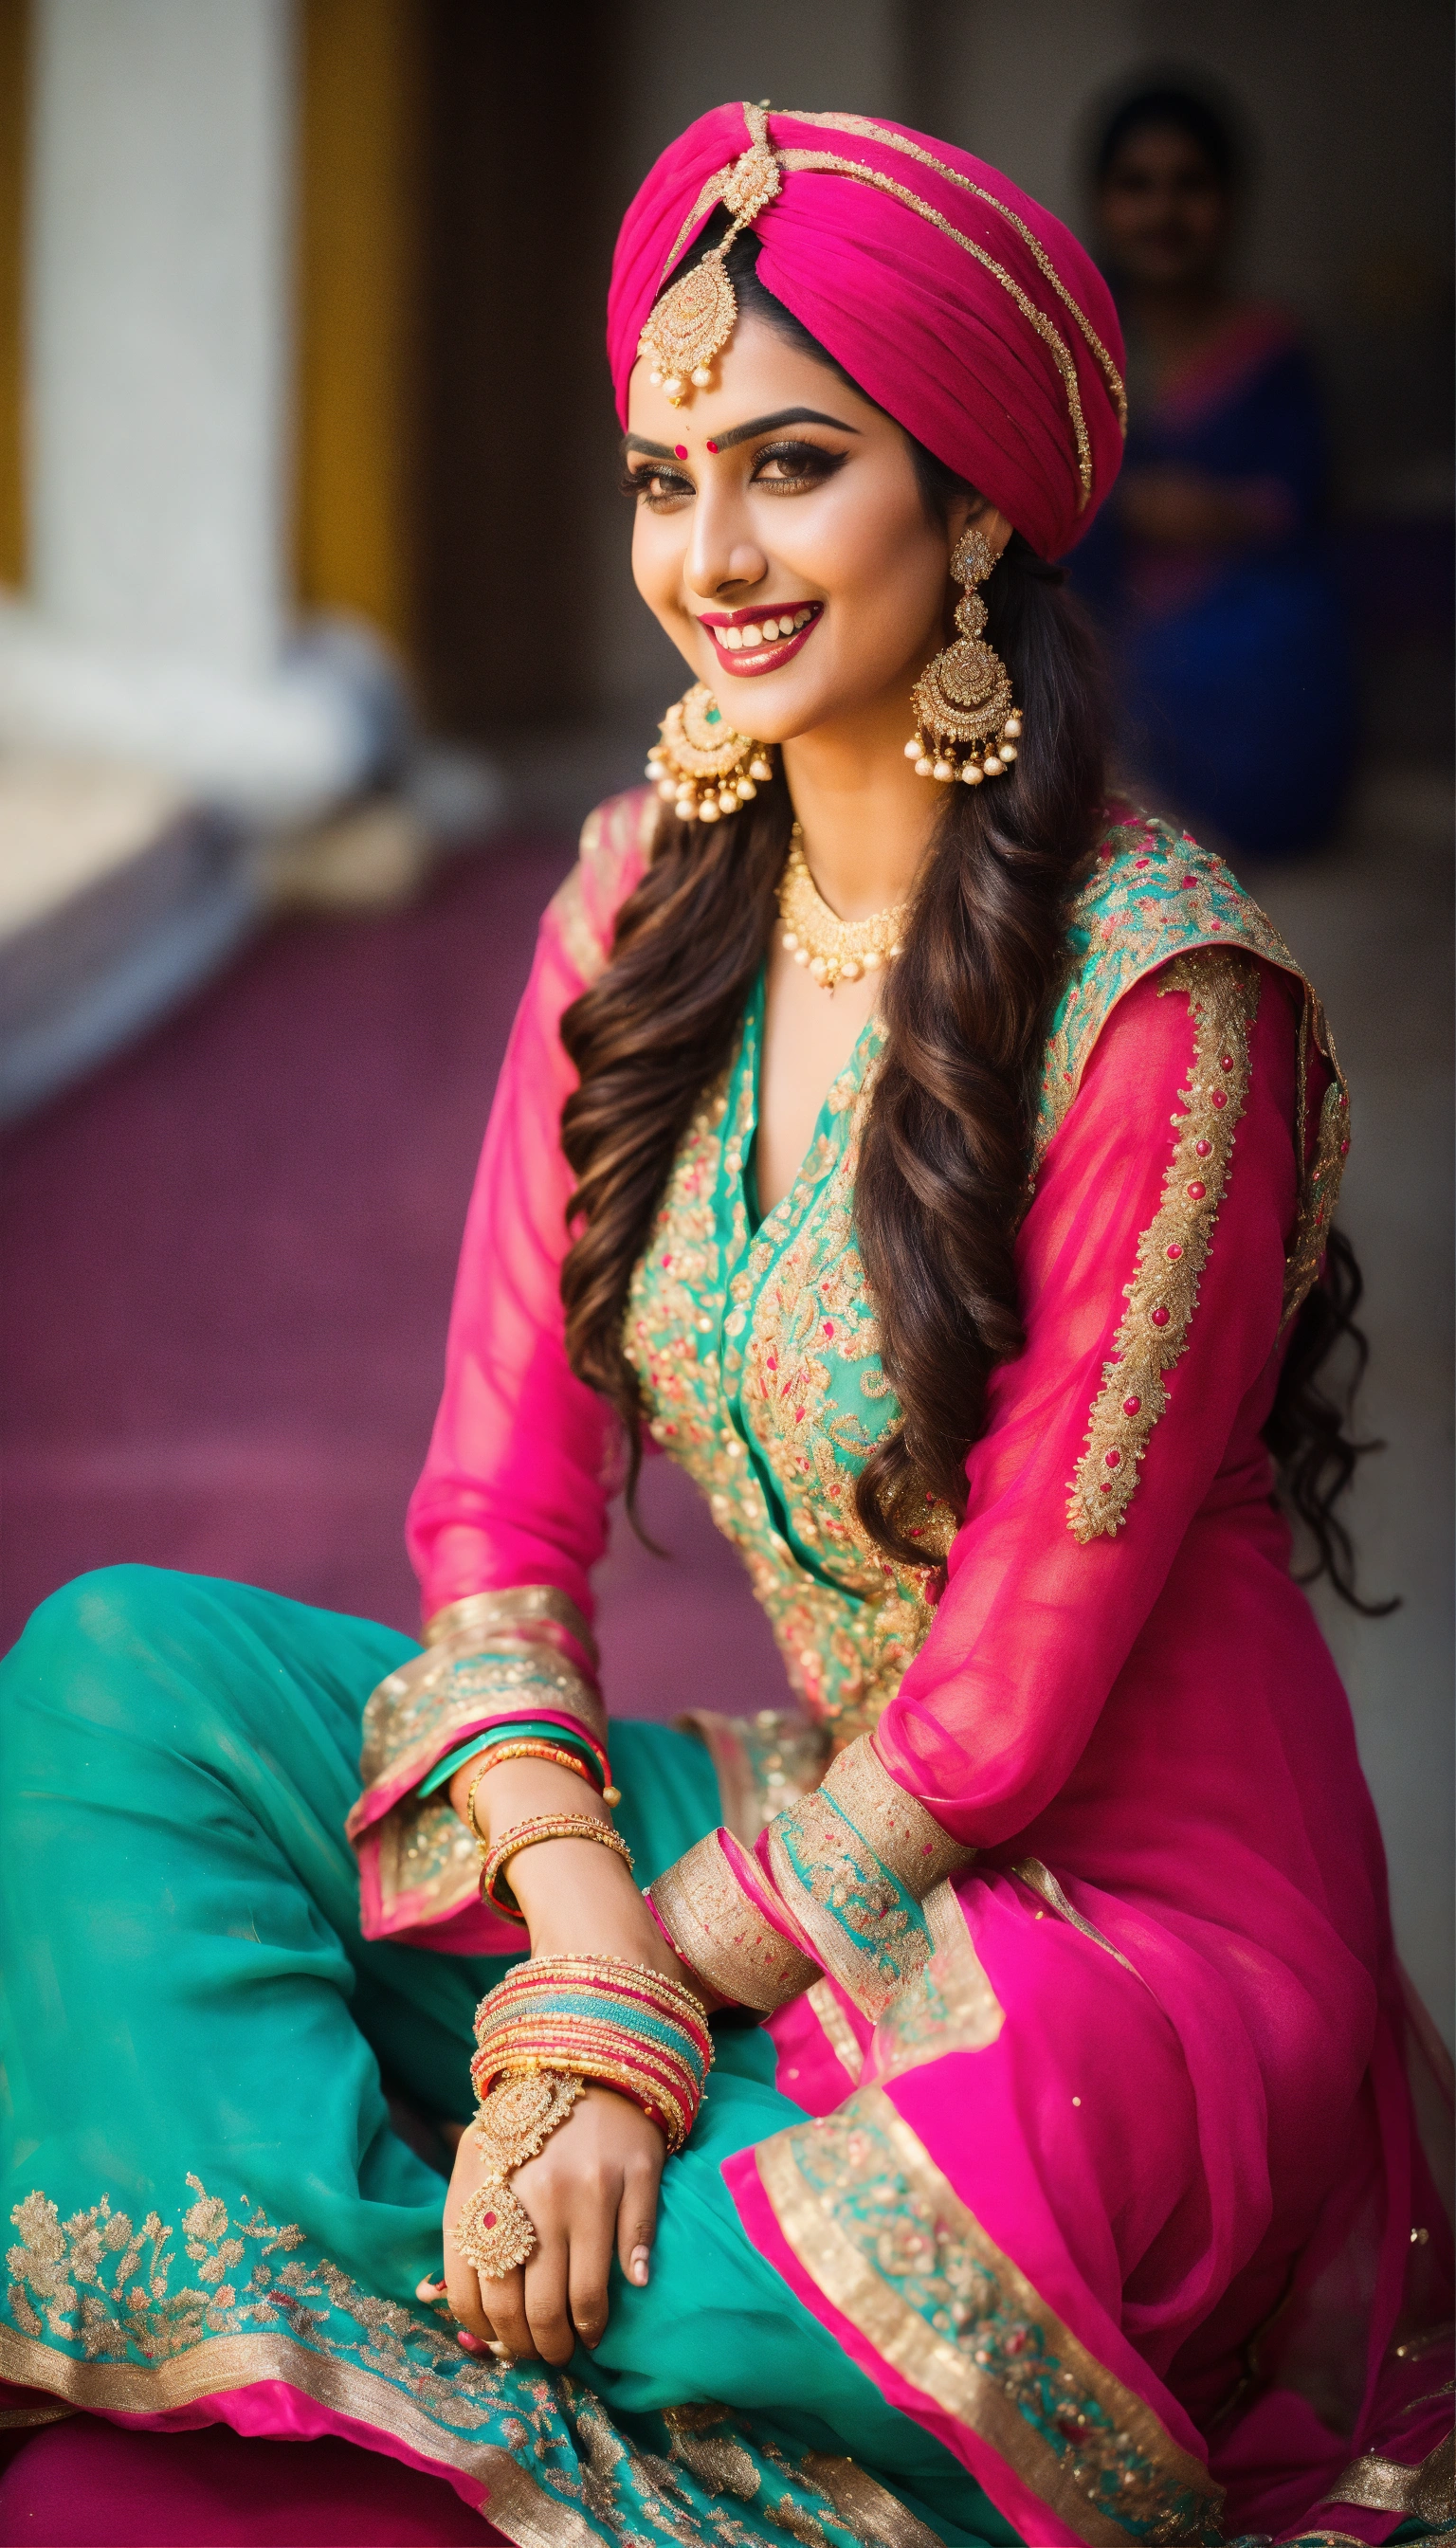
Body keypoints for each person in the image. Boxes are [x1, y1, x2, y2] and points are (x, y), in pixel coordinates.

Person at [0, 103, 1449, 2548]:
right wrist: (587, 1961)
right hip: (797, 1845)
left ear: (973, 502)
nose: (710, 559)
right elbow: (494, 1505)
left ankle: (435, 2280)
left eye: (787, 468)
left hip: (1131, 1957)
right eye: (665, 481)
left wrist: (608, 2024)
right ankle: (472, 2273)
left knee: (893, 2214)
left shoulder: (1160, 1009)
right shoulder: (635, 912)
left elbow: (990, 1715)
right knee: (110, 1682)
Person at [1070, 83, 1356, 860]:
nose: (1163, 212)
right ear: (1100, 201)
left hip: (1246, 634)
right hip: (1105, 621)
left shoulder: (1270, 349)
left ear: (1229, 203)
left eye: (1189, 185)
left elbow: (1298, 504)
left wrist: (1199, 515)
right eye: (1137, 186)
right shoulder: (1076, 347)